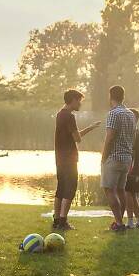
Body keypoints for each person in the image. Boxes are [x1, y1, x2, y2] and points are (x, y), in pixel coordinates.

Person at [52, 89, 97, 232]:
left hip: (60, 158)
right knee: (70, 189)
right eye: (79, 101)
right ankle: (63, 221)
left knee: (61, 189)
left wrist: (90, 128)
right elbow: (77, 138)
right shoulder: (69, 116)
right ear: (72, 100)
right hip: (69, 159)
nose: (80, 104)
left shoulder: (60, 114)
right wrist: (88, 130)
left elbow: (74, 136)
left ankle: (56, 220)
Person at [100, 84, 137, 232]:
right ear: (123, 96)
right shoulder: (131, 114)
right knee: (121, 190)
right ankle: (119, 222)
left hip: (114, 157)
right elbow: (133, 136)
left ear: (110, 97)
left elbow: (109, 137)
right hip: (127, 157)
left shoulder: (113, 113)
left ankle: (119, 223)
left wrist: (103, 157)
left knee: (109, 189)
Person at [124, 108, 139, 229]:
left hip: (133, 169)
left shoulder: (134, 134)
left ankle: (130, 221)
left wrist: (129, 169)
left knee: (128, 193)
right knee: (131, 194)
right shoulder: (136, 133)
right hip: (136, 168)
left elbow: (132, 152)